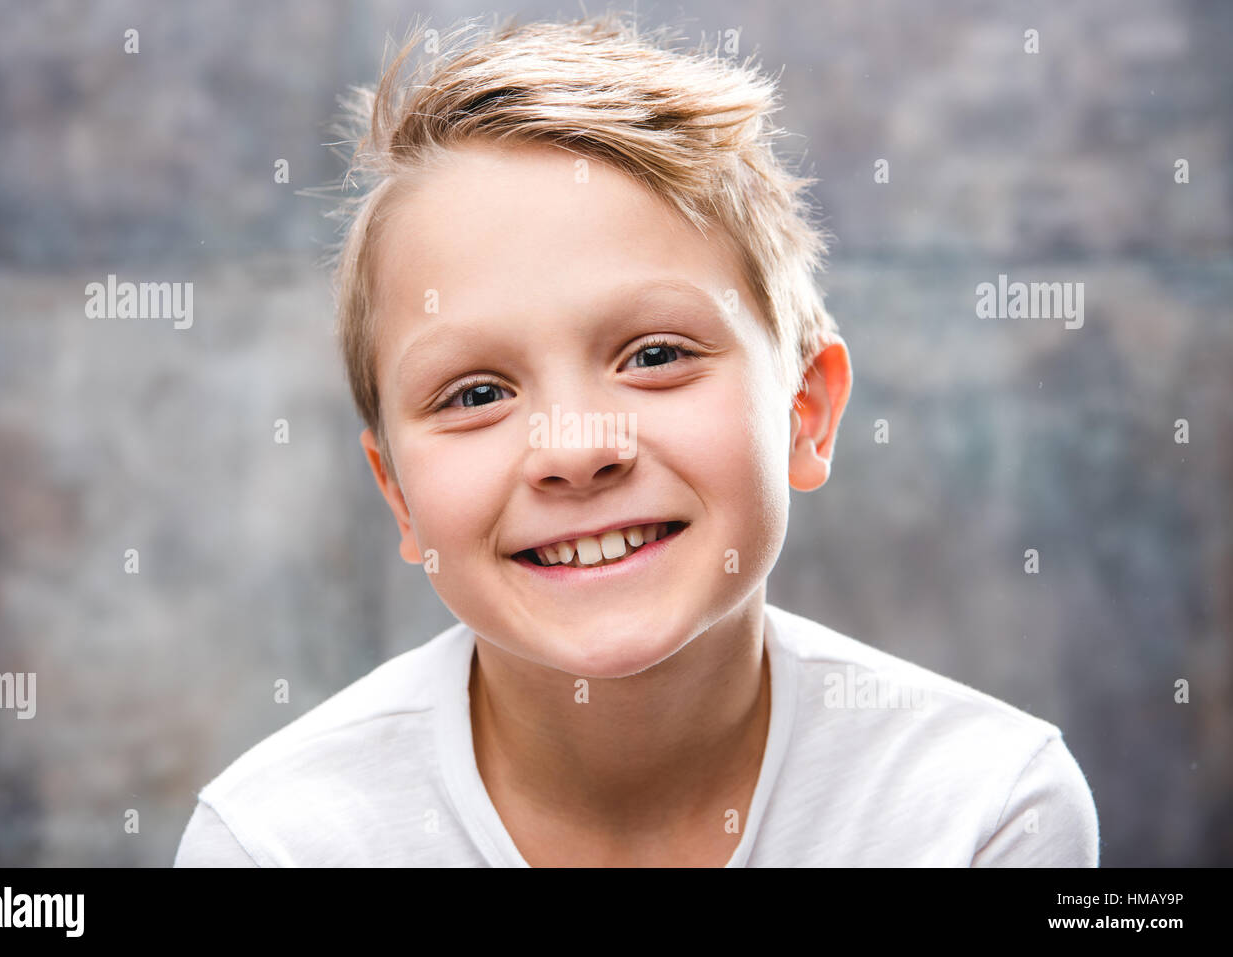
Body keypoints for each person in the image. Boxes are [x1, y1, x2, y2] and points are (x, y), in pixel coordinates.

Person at [174, 11, 1098, 866]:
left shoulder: (987, 811)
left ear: (805, 412)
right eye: (477, 393)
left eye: (655, 354)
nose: (577, 449)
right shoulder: (273, 845)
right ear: (399, 498)